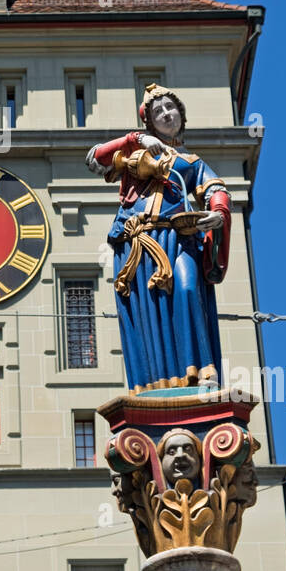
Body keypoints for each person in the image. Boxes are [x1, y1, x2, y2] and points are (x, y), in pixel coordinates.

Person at [86, 83, 231, 393]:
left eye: (171, 108)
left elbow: (217, 189)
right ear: (149, 121)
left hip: (178, 238)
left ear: (181, 115)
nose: (167, 113)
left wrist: (218, 213)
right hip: (137, 241)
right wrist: (134, 139)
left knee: (188, 287)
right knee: (144, 308)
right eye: (158, 110)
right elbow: (95, 159)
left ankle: (203, 370)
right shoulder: (136, 152)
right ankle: (155, 382)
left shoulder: (191, 162)